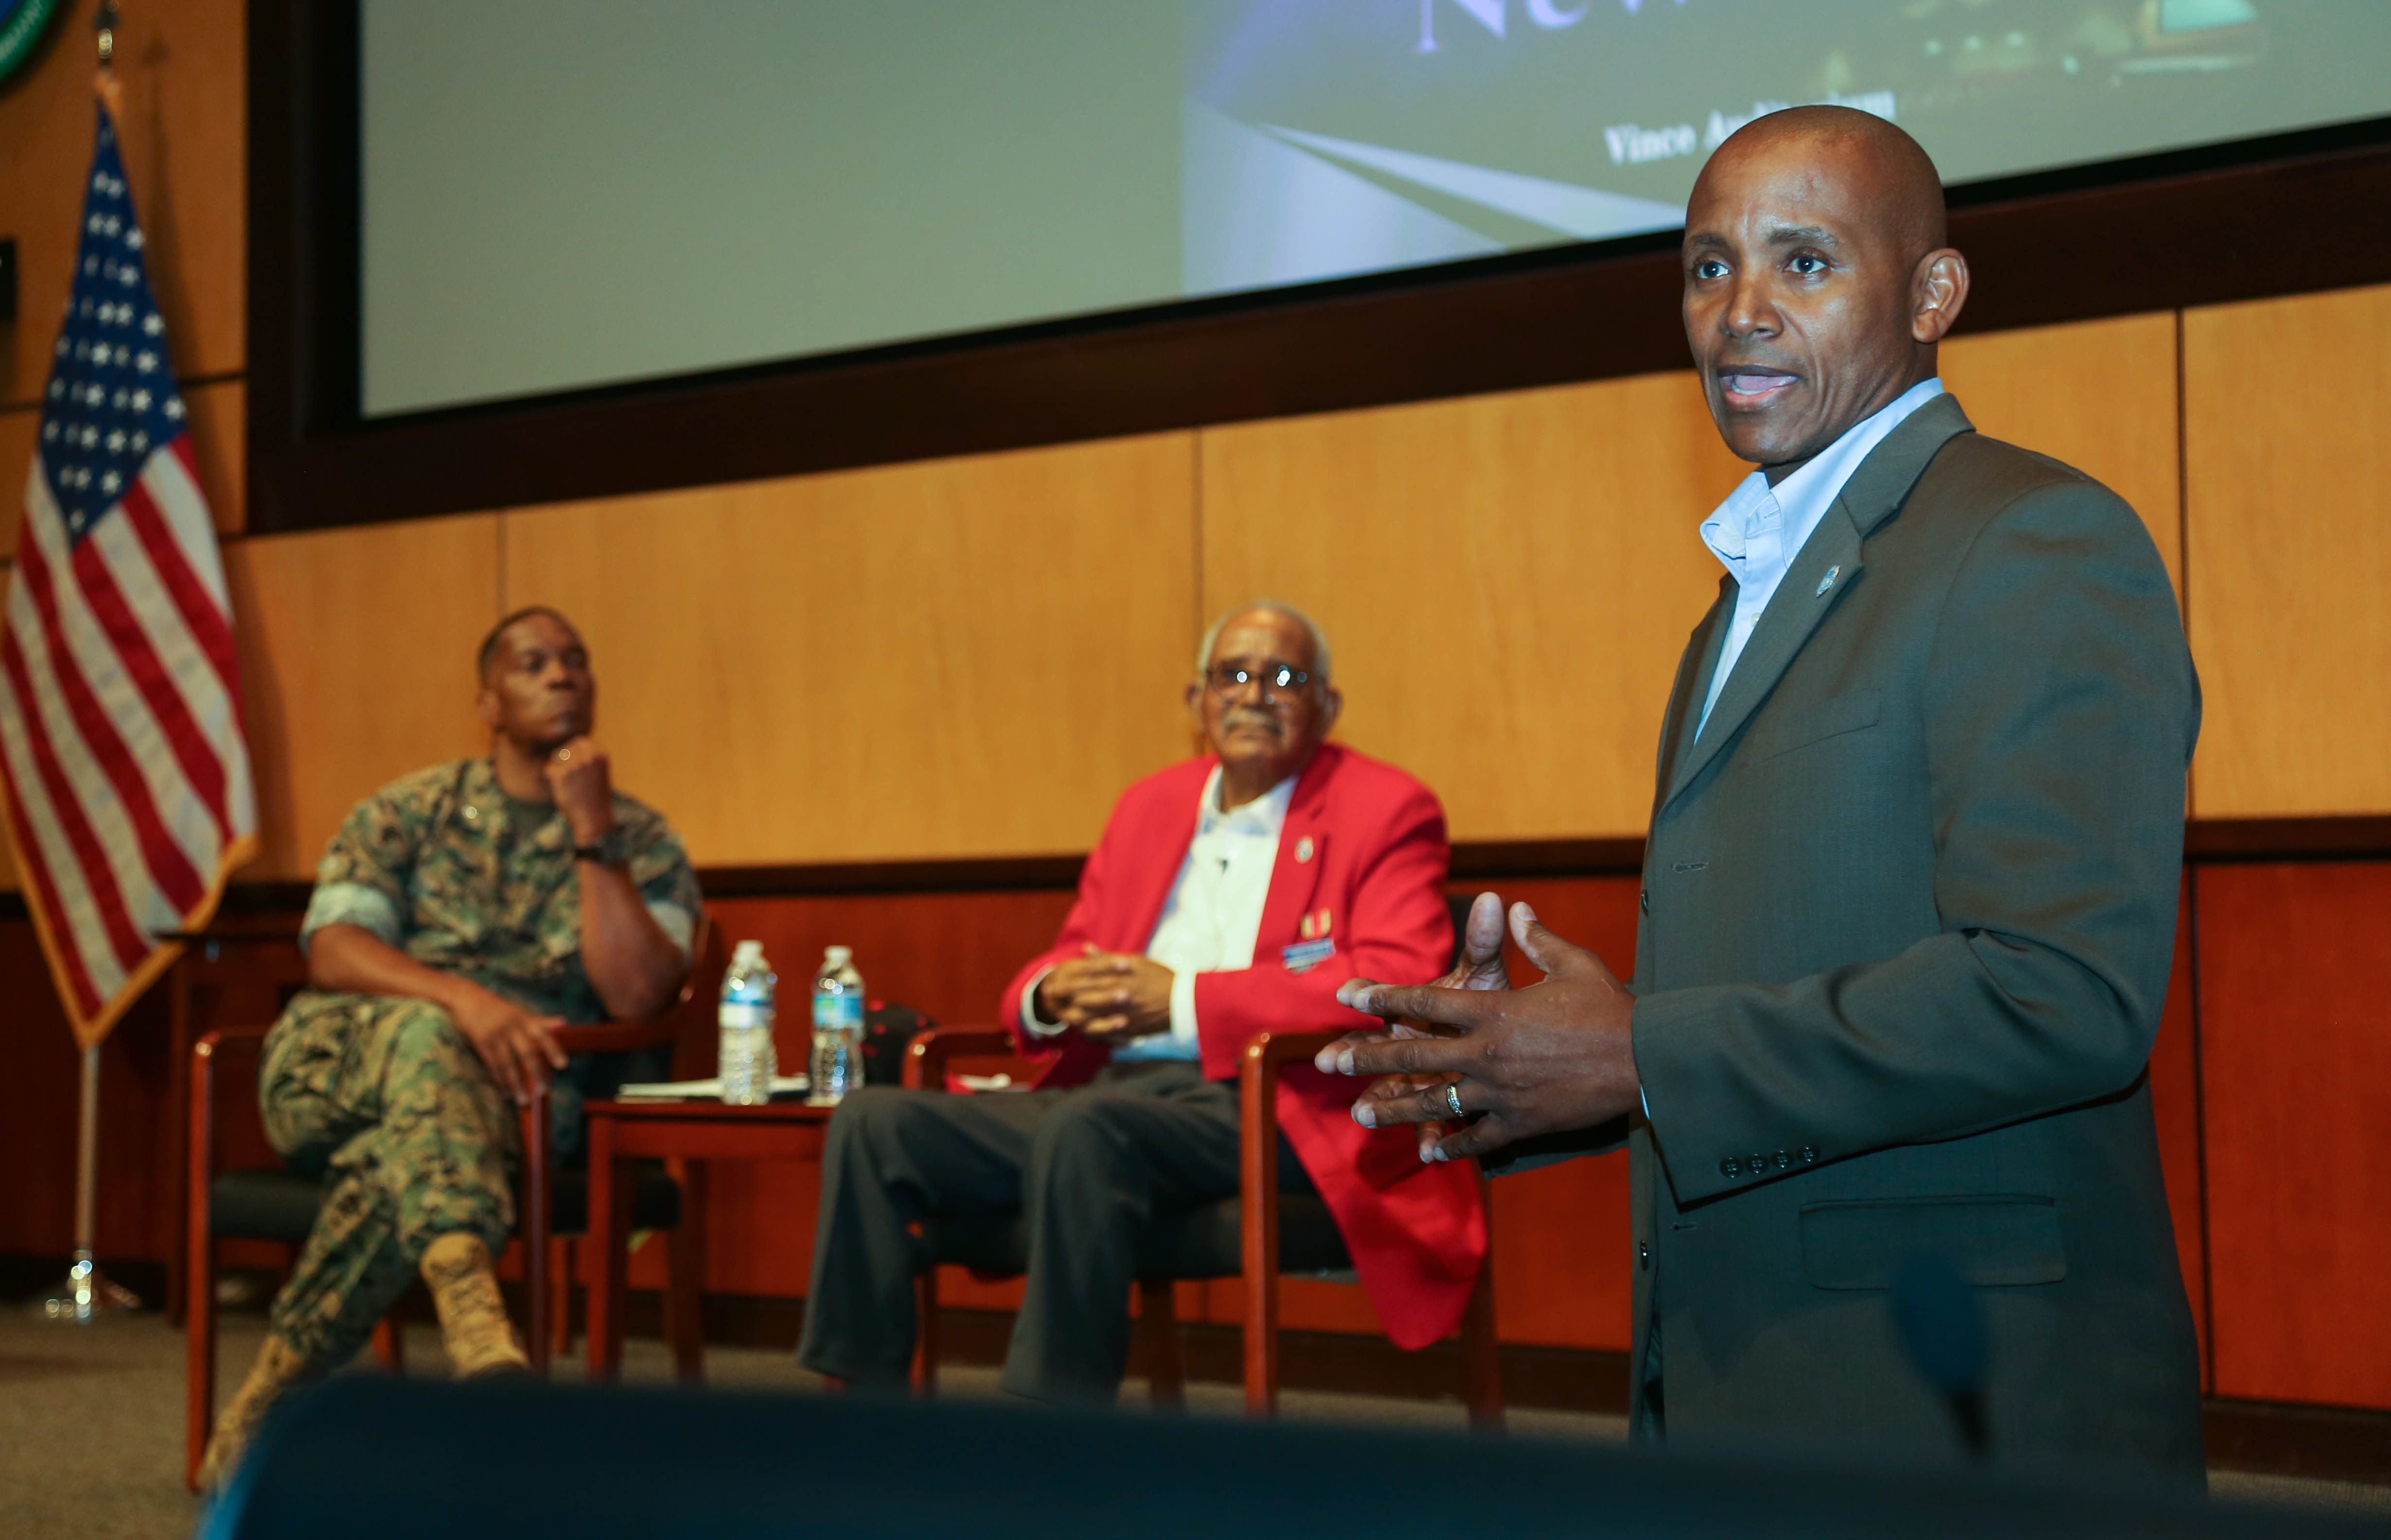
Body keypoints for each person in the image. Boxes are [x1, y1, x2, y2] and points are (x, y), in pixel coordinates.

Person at [1318, 107, 2203, 1476]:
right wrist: (1550, 1060)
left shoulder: (2032, 538)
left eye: (1803, 264)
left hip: (1960, 1396)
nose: (1738, 313)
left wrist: (1641, 1052)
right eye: (1706, 267)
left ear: (1932, 294)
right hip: (1744, 1362)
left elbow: (2061, 988)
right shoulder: (1742, 598)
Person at [797, 601, 1481, 1404]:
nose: (1255, 693)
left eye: (1285, 676)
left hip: (1277, 1108)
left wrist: (1184, 1003)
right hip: (1118, 1098)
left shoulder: (1385, 808)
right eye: (1234, 674)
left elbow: (1392, 978)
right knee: (876, 1123)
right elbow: (1069, 953)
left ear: (1327, 707)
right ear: (1199, 703)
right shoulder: (1151, 807)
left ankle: (1052, 1442)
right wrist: (1049, 997)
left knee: (1088, 1131)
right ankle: (859, 1425)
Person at [199, 608, 700, 1485]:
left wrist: (592, 834)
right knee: (430, 1036)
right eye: (534, 663)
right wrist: (463, 1000)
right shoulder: (410, 810)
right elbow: (334, 950)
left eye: (577, 662)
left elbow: (637, 993)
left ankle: (266, 1409)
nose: (562, 676)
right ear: (489, 702)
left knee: (401, 1160)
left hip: (521, 1105)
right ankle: (475, 1331)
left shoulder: (640, 838)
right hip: (335, 1068)